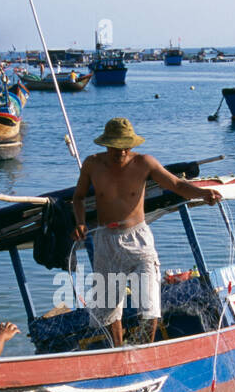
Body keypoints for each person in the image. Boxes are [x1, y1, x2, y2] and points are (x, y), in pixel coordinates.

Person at [72, 118, 222, 347]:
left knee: (150, 305)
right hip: (105, 239)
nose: (120, 152)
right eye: (115, 146)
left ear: (132, 145)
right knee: (110, 308)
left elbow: (177, 185)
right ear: (106, 145)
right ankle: (119, 352)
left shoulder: (144, 163)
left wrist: (203, 194)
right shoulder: (92, 164)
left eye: (125, 147)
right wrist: (81, 223)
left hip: (137, 239)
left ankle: (145, 351)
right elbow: (79, 197)